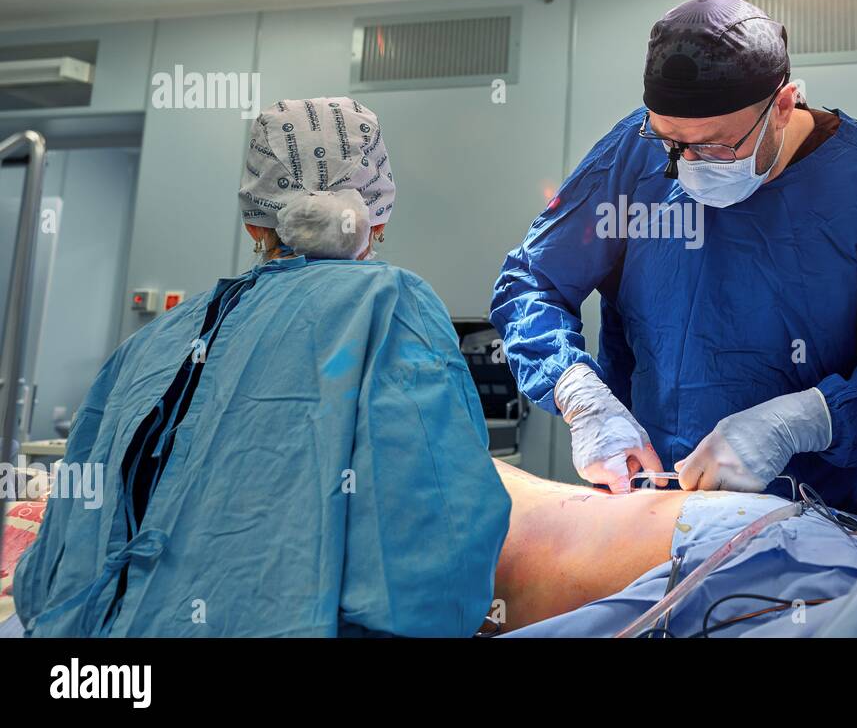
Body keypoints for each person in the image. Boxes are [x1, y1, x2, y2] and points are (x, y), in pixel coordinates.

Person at [14, 98, 510, 637]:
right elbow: (437, 542)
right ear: (379, 217)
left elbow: (48, 574)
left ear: (255, 225)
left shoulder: (154, 340)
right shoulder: (392, 305)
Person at [492, 0, 857, 517]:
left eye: (716, 147)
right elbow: (532, 280)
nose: (685, 165)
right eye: (670, 143)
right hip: (653, 512)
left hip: (816, 523)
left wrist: (803, 419)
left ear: (784, 107)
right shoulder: (634, 152)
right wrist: (580, 393)